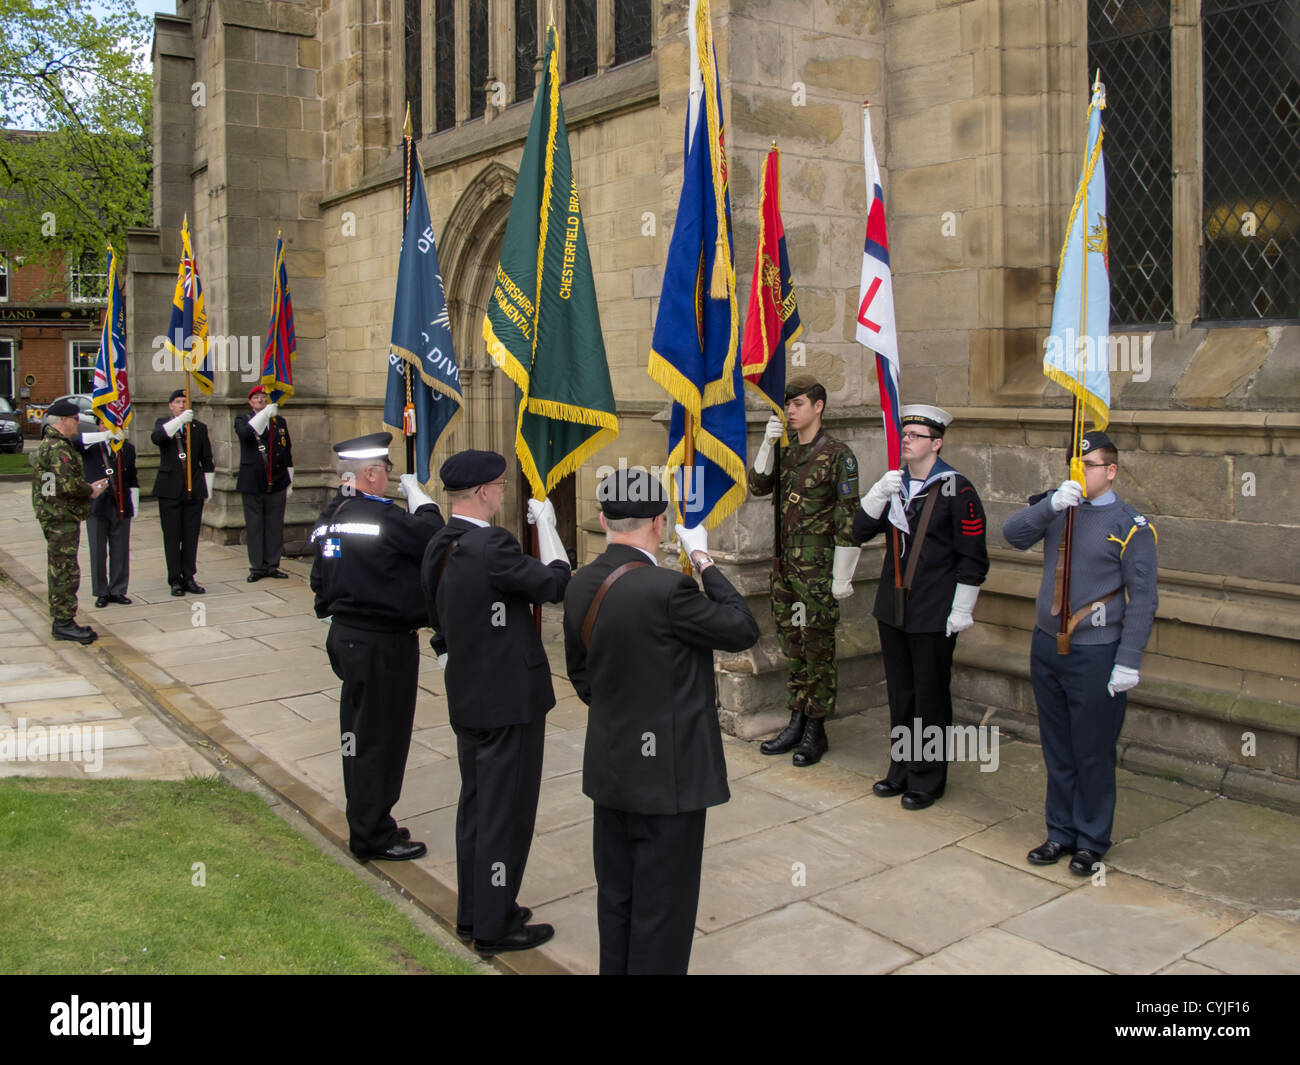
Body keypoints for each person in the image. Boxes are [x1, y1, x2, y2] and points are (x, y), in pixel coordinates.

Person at [563, 469, 759, 974]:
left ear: (604, 518)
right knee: (663, 911)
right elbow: (742, 628)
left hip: (611, 767)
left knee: (618, 900)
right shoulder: (670, 590)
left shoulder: (580, 582)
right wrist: (704, 560)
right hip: (668, 778)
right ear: (660, 523)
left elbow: (582, 678)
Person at [421, 450, 571, 957]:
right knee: (506, 814)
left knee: (478, 809)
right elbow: (556, 584)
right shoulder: (492, 545)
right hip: (509, 702)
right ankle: (494, 925)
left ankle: (476, 910)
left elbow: (438, 617)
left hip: (468, 697)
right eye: (502, 485)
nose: (505, 492)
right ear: (484, 492)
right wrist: (548, 529)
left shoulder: (440, 542)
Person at [1003, 429, 1157, 876]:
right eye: (1075, 464)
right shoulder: (1059, 506)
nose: (1081, 472)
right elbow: (1012, 536)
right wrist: (1049, 505)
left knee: (1091, 749)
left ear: (1110, 471)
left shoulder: (1131, 525)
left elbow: (1144, 598)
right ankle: (1060, 832)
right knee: (1057, 746)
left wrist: (1128, 660)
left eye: (1089, 466)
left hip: (1096, 652)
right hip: (1047, 645)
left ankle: (1091, 839)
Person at [310, 431, 444, 863]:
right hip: (382, 644)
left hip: (347, 637)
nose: (388, 478)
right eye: (385, 471)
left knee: (359, 735)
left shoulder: (333, 514)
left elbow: (319, 579)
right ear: (369, 474)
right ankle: (371, 834)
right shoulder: (382, 517)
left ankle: (370, 819)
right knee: (381, 740)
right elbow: (432, 539)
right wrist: (422, 501)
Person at [853, 405, 989, 810]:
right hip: (893, 608)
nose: (907, 440)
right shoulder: (895, 486)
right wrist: (878, 492)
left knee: (929, 696)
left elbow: (973, 555)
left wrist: (962, 608)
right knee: (901, 693)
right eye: (905, 434)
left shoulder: (956, 489)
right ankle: (900, 769)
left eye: (916, 435)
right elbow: (857, 530)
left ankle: (927, 778)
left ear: (937, 443)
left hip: (933, 610)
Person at [745, 377, 861, 767]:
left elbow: (848, 518)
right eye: (787, 406)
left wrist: (843, 575)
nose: (790, 411)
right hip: (784, 571)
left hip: (816, 573)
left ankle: (816, 727)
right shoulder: (787, 452)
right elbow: (758, 485)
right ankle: (795, 718)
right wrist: (765, 443)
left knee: (818, 649)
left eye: (797, 404)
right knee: (792, 646)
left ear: (818, 406)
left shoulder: (838, 455)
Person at [30, 399, 108, 643]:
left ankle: (63, 620)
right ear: (63, 421)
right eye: (75, 419)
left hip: (55, 514)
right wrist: (91, 490)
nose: (78, 423)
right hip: (60, 517)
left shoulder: (51, 444)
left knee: (60, 568)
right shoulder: (57, 448)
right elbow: (66, 485)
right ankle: (63, 622)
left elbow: (51, 485)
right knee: (65, 571)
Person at [151, 388, 214, 596]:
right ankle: (174, 579)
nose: (181, 405)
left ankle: (189, 576)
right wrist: (179, 422)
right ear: (171, 405)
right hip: (169, 489)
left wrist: (208, 488)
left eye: (185, 401)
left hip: (193, 489)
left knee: (190, 536)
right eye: (177, 401)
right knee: (172, 536)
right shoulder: (163, 423)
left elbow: (207, 460)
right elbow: (158, 438)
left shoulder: (198, 428)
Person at [234, 385, 293, 582]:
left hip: (277, 480)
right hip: (253, 481)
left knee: (274, 525)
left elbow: (287, 451)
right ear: (250, 402)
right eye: (256, 398)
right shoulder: (243, 419)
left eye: (263, 397)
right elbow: (246, 434)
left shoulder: (279, 421)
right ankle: (257, 567)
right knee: (255, 526)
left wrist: (290, 481)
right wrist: (266, 413)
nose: (260, 400)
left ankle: (272, 564)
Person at [79, 425, 139, 608]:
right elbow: (74, 441)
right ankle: (101, 591)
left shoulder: (126, 448)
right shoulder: (91, 446)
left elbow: (132, 477)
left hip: (121, 504)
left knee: (120, 550)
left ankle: (118, 589)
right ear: (99, 424)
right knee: (98, 550)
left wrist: (134, 503)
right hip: (97, 506)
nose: (112, 426)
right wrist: (103, 435)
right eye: (106, 422)